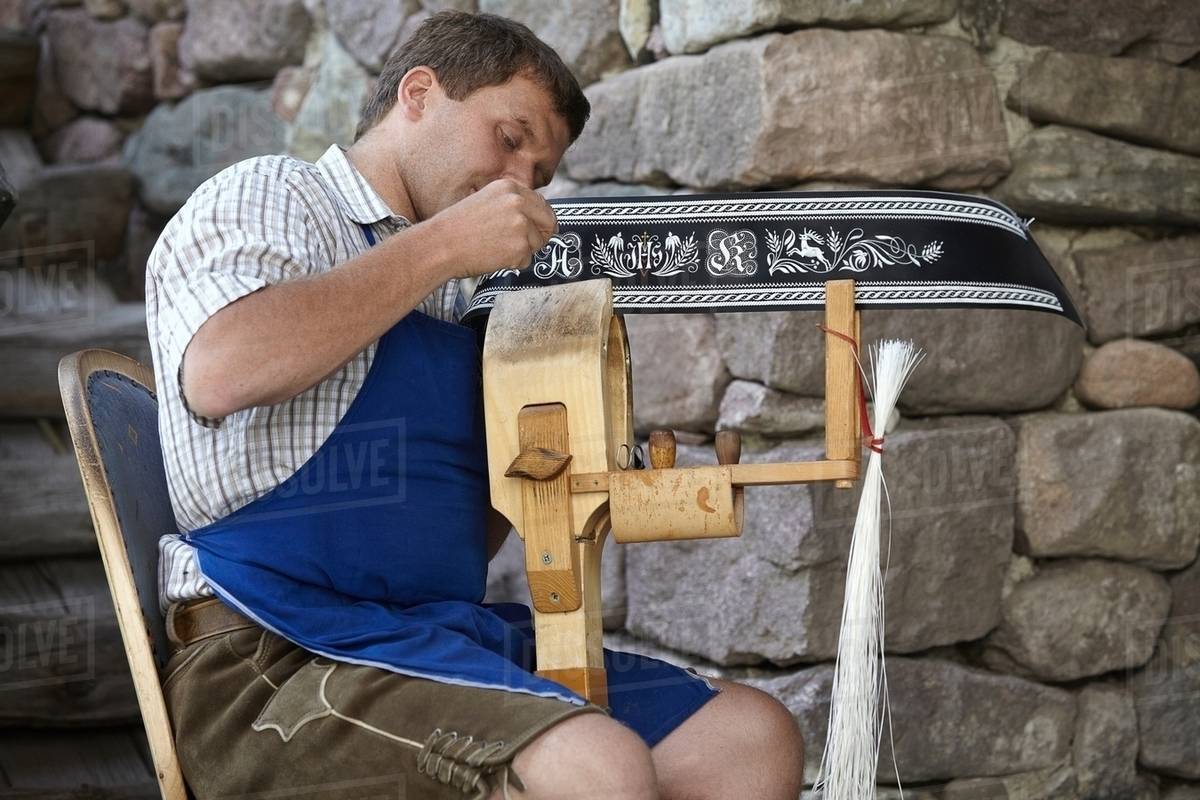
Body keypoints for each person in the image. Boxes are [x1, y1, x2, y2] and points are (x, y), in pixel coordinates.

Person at [147, 11, 804, 800]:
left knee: (750, 742)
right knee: (599, 768)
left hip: (433, 636)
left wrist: (580, 456)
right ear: (418, 95)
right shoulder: (275, 195)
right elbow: (222, 368)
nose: (520, 183)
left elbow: (476, 525)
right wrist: (445, 247)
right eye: (509, 138)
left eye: (540, 172)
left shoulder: (468, 293)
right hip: (271, 654)